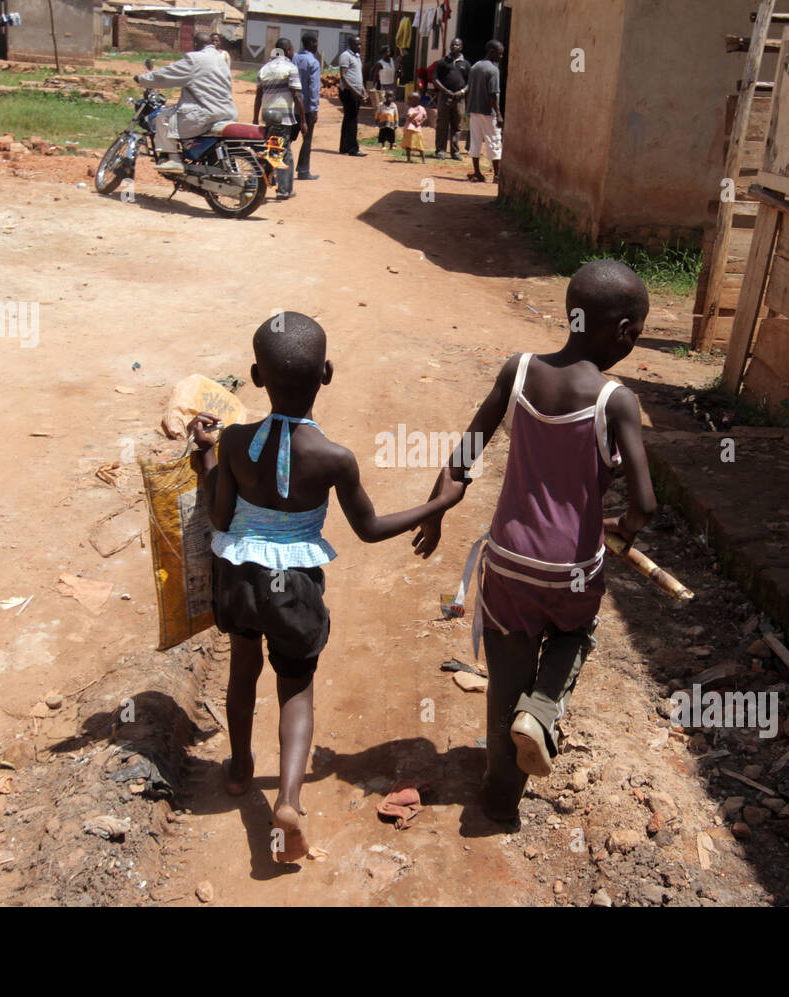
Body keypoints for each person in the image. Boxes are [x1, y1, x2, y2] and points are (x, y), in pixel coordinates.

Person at [189, 312, 459, 863]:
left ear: (255, 378)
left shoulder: (237, 441)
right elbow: (370, 529)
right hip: (294, 591)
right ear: (327, 374)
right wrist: (439, 504)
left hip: (238, 580)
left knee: (243, 670)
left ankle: (240, 770)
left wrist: (208, 455)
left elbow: (219, 519)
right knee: (296, 688)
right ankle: (287, 798)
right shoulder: (334, 458)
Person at [411, 260, 658, 826]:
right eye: (638, 334)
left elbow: (465, 455)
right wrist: (621, 529)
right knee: (574, 634)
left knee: (505, 676)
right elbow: (644, 505)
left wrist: (437, 510)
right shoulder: (616, 400)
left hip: (508, 564)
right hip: (571, 568)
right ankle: (542, 710)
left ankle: (500, 798)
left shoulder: (518, 371)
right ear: (623, 331)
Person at [134, 31, 237, 174]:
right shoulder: (221, 59)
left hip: (204, 113)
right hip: (227, 112)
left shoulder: (194, 59)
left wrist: (143, 79)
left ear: (196, 44)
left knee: (162, 117)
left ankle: (174, 159)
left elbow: (167, 75)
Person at [254, 41, 306, 199]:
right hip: (283, 118)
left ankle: (261, 184)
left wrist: (255, 118)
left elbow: (258, 96)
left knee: (273, 149)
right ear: (288, 51)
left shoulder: (264, 69)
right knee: (285, 153)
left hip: (268, 117)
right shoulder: (290, 68)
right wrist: (303, 121)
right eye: (292, 50)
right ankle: (284, 190)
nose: (293, 52)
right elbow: (297, 96)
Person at [466, 40, 504, 183]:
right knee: (494, 141)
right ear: (491, 51)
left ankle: (477, 172)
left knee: (475, 142)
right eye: (500, 54)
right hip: (489, 112)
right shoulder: (493, 70)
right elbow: (493, 94)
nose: (501, 57)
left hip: (474, 110)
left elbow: (470, 88)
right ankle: (497, 175)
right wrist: (498, 114)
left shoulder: (475, 67)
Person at [433, 38, 469, 160]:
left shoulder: (466, 64)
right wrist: (445, 90)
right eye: (452, 44)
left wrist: (462, 91)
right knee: (442, 124)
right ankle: (440, 150)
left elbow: (470, 82)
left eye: (457, 45)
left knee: (457, 126)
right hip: (445, 97)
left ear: (461, 47)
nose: (454, 46)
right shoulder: (443, 62)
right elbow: (435, 79)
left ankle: (455, 152)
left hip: (459, 99)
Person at [293, 33, 321, 181]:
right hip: (307, 108)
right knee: (307, 139)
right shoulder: (313, 62)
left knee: (285, 140)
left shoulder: (294, 58)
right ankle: (303, 170)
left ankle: (277, 170)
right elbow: (313, 88)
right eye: (315, 43)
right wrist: (315, 108)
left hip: (292, 106)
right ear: (310, 44)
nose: (317, 45)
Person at [336, 36, 366, 156]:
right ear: (350, 44)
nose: (359, 46)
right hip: (348, 92)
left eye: (360, 44)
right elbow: (343, 76)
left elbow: (357, 76)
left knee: (348, 119)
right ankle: (353, 148)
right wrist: (355, 92)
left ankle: (344, 147)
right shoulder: (346, 56)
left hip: (356, 92)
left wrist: (363, 90)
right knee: (352, 120)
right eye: (357, 44)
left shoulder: (357, 57)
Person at [402, 92, 426, 163]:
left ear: (415, 100)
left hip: (410, 129)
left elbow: (409, 118)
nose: (408, 101)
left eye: (409, 99)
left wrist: (412, 119)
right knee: (420, 145)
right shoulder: (422, 108)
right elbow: (425, 117)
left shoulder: (411, 109)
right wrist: (419, 122)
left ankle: (408, 159)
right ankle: (423, 160)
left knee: (408, 145)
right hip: (417, 129)